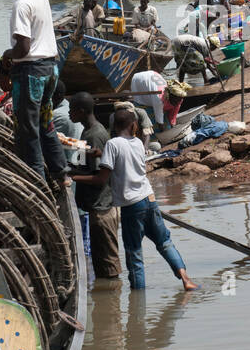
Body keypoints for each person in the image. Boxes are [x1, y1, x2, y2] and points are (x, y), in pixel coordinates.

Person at [72, 107, 197, 291]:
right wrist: (100, 153)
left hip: (131, 206)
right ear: (133, 126)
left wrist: (73, 178)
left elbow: (101, 179)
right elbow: (123, 156)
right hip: (149, 199)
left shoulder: (113, 144)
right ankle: (186, 279)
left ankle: (137, 304)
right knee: (164, 242)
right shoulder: (138, 143)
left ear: (114, 126)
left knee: (134, 254)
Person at [1, 0, 69, 184]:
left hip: (31, 72)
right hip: (50, 69)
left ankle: (36, 182)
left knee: (27, 131)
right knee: (45, 123)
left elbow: (22, 48)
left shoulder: (22, 3)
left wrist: (8, 55)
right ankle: (60, 173)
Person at [68, 92, 123, 279]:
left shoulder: (95, 135)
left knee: (109, 266)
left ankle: (111, 302)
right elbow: (83, 164)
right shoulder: (87, 131)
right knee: (101, 263)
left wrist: (72, 177)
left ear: (81, 111)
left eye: (72, 110)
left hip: (103, 208)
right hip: (96, 207)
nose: (69, 114)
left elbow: (100, 177)